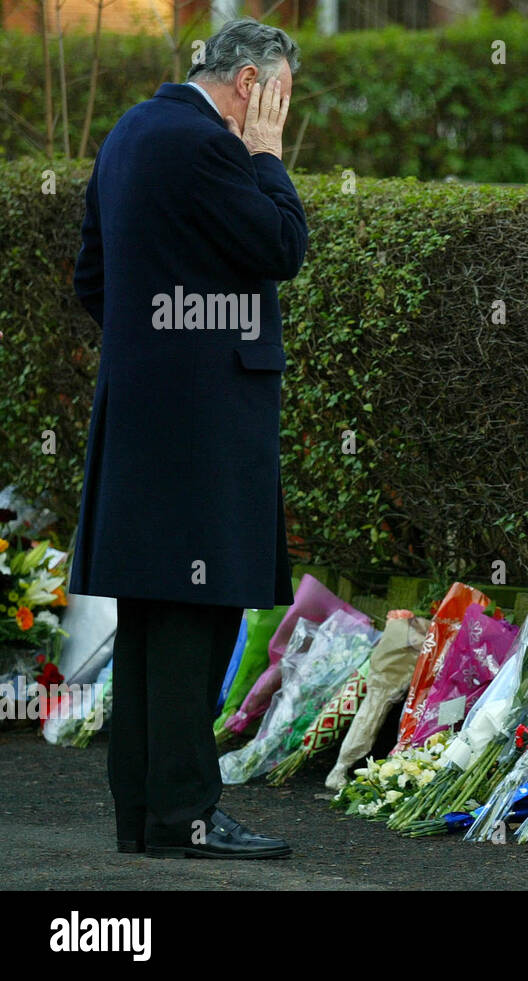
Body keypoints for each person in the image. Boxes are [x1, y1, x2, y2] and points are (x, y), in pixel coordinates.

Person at [69, 18, 308, 860]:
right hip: (204, 422)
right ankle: (185, 817)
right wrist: (267, 155)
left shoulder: (131, 130)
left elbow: (91, 278)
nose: (278, 114)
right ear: (248, 84)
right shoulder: (213, 147)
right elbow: (282, 245)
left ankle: (146, 818)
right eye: (278, 98)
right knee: (195, 617)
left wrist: (155, 350)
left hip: (143, 412)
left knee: (151, 617)